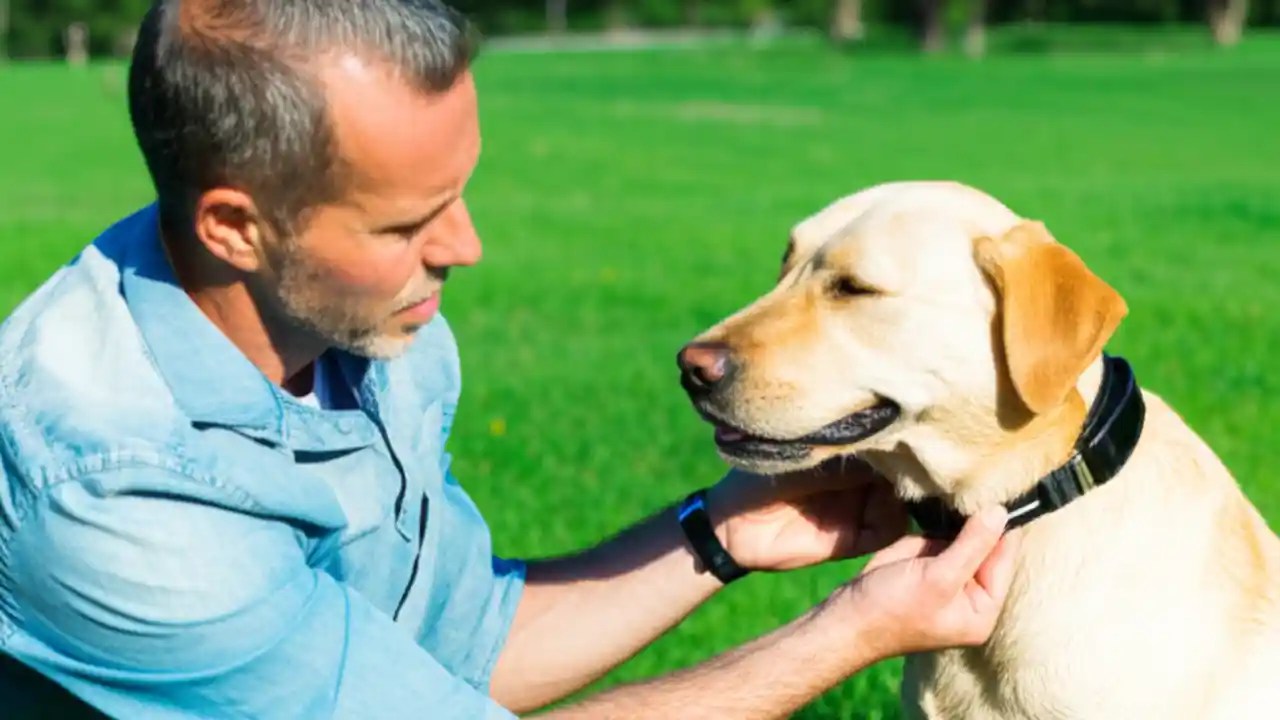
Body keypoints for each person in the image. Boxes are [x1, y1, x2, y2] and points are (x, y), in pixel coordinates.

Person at [0, 1, 1021, 718]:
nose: (463, 248)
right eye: (407, 223)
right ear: (235, 227)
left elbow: (458, 651)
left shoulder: (357, 324)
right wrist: (845, 634)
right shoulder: (111, 490)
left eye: (458, 192)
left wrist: (719, 535)